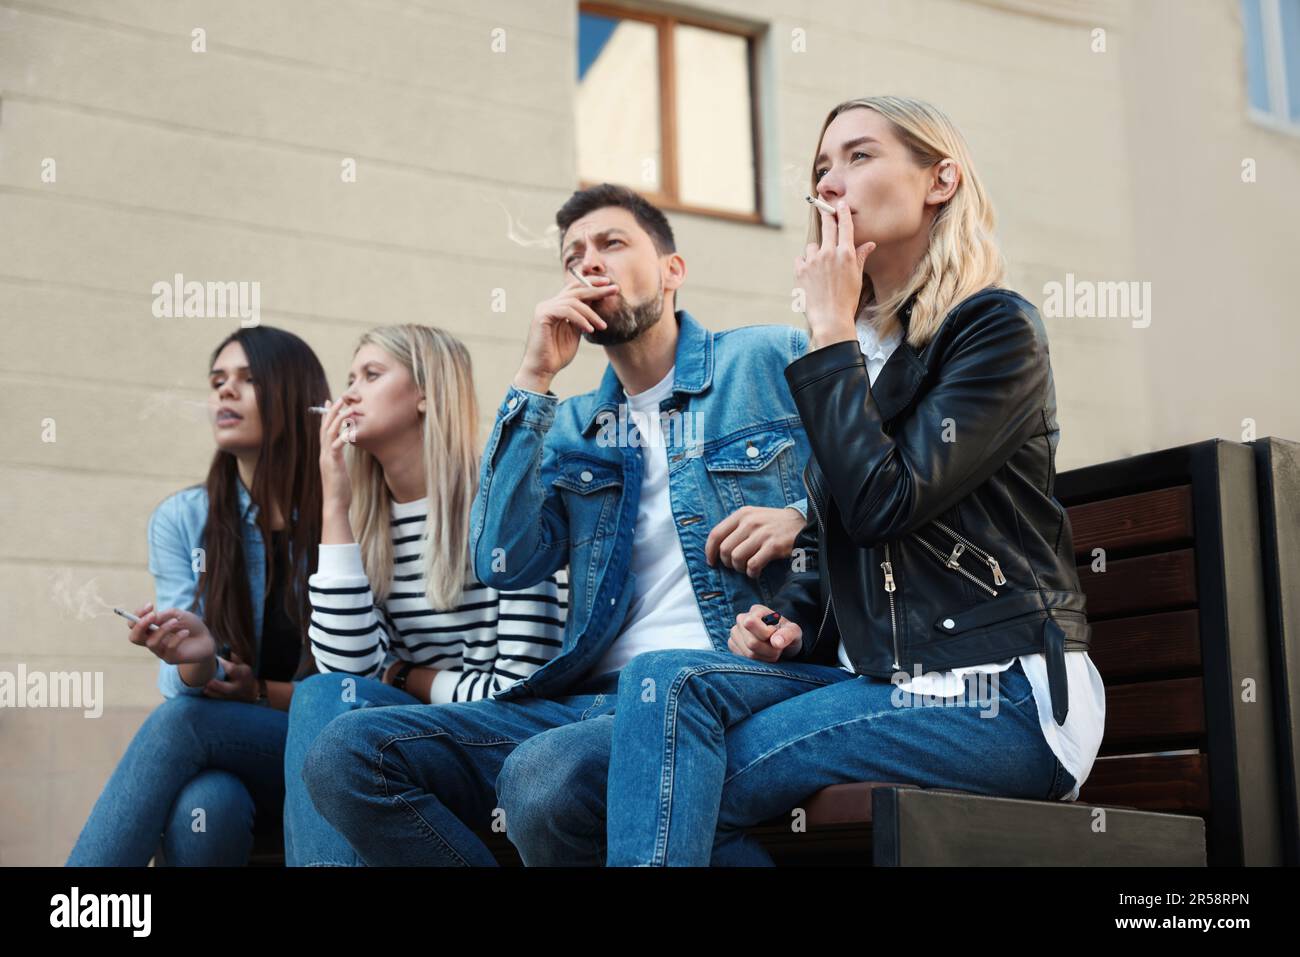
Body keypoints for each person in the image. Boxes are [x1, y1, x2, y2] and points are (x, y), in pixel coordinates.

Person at [600, 95, 1107, 866]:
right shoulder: (858, 354)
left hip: (1000, 693)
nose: (830, 183)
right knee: (649, 695)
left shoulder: (993, 330)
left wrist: (829, 333)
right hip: (877, 684)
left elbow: (886, 500)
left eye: (860, 156)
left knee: (676, 779)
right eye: (820, 169)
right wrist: (793, 623)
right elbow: (839, 525)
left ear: (940, 179)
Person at [301, 183, 813, 865]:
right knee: (346, 751)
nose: (589, 264)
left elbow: (873, 480)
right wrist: (534, 375)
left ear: (672, 270)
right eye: (574, 256)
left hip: (728, 679)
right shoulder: (570, 423)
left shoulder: (767, 358)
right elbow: (501, 559)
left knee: (541, 777)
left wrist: (801, 516)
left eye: (612, 243)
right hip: (590, 698)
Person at [283, 324, 567, 866]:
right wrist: (334, 504)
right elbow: (347, 674)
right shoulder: (366, 523)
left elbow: (520, 689)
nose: (347, 395)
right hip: (397, 745)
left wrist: (410, 678)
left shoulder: (502, 507)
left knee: (322, 702)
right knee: (319, 696)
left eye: (371, 375)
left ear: (426, 395)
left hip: (506, 743)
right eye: (348, 379)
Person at [67, 326, 328, 866]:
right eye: (216, 381)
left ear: (295, 393)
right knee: (206, 807)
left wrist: (256, 690)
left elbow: (355, 687)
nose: (224, 393)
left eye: (248, 379)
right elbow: (179, 687)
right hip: (239, 748)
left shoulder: (346, 515)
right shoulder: (184, 519)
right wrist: (198, 662)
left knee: (181, 726)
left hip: (328, 747)